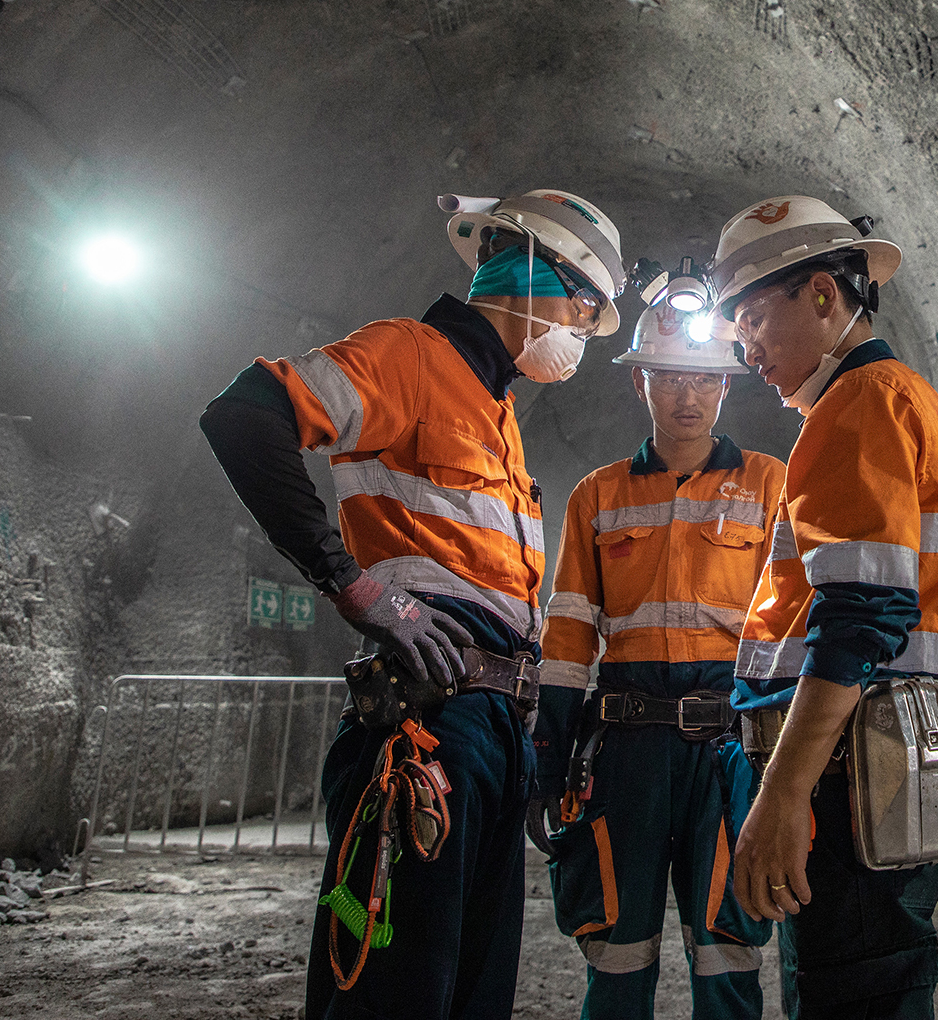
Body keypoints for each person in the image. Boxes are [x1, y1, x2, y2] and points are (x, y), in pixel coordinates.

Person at [199, 188, 626, 1020]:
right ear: (533, 269)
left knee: (471, 992)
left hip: (494, 732)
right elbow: (244, 417)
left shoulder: (499, 411)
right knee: (394, 987)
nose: (581, 328)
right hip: (427, 722)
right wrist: (354, 587)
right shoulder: (409, 355)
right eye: (582, 304)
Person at [708, 196, 938, 1019]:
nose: (744, 347)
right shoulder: (901, 400)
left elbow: (860, 616)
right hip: (880, 757)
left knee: (850, 992)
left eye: (754, 318)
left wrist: (785, 795)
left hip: (847, 768)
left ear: (824, 296)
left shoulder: (856, 406)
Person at [534, 296, 785, 1020]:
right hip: (628, 749)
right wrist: (550, 753)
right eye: (669, 378)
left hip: (730, 745)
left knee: (728, 943)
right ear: (637, 381)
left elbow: (795, 622)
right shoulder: (597, 495)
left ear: (726, 387)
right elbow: (570, 632)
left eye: (704, 380)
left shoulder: (770, 486)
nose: (687, 395)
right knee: (617, 948)